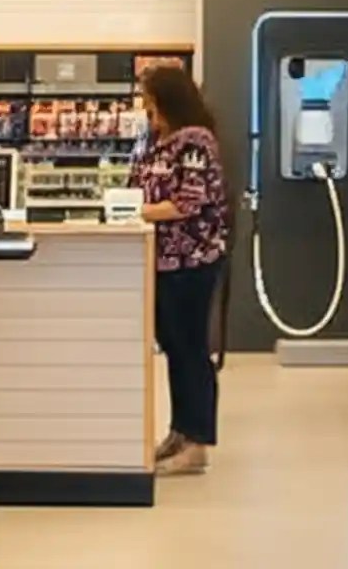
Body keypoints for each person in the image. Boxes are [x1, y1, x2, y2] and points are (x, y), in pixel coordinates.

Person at [129, 65, 229, 476]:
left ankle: (198, 443)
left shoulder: (196, 142)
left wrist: (135, 211)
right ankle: (180, 431)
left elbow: (188, 202)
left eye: (152, 102)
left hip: (193, 260)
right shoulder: (157, 140)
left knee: (190, 349)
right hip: (164, 260)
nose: (148, 111)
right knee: (174, 346)